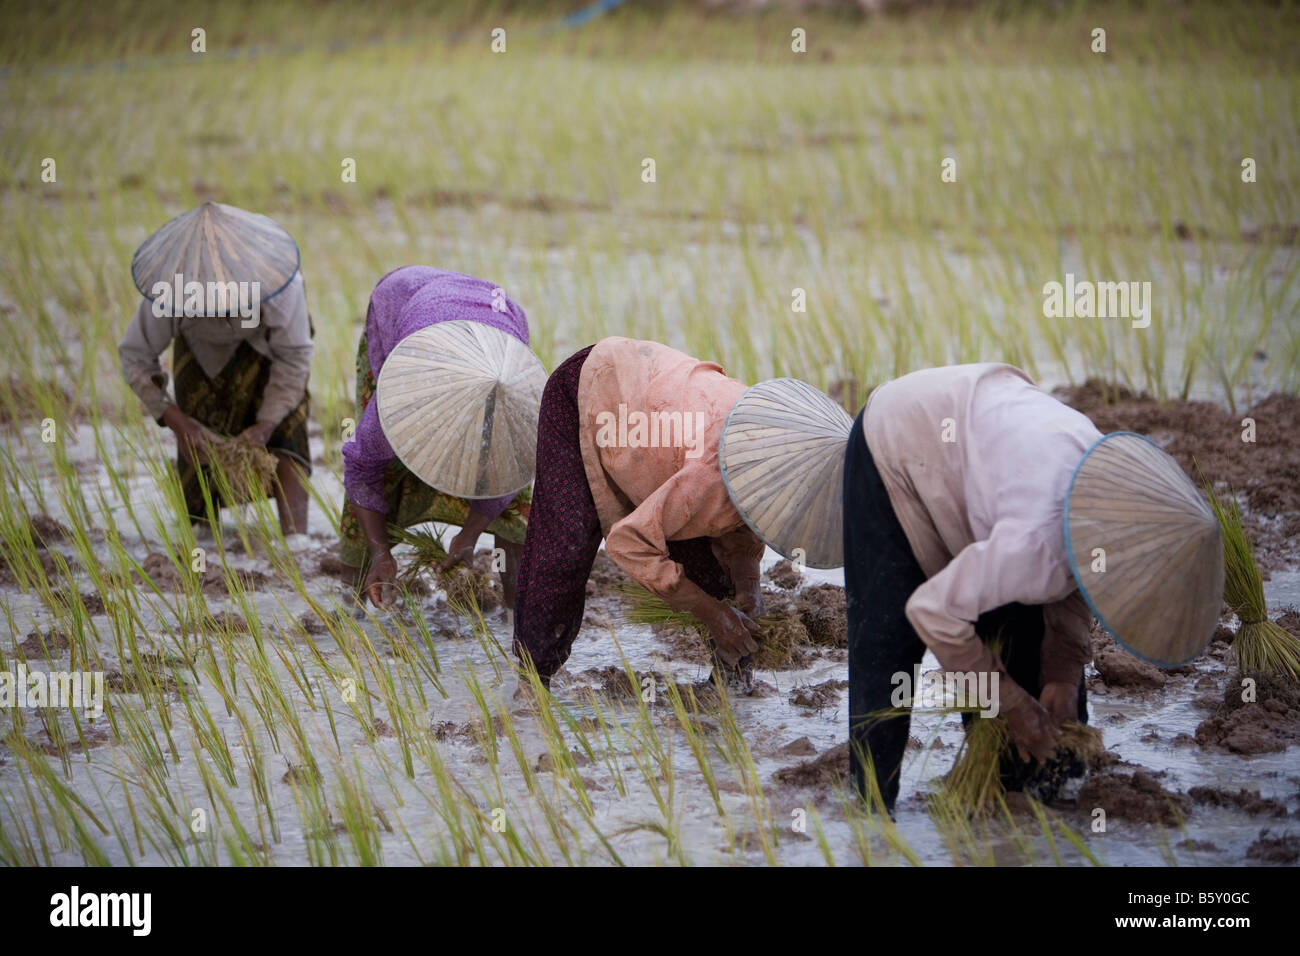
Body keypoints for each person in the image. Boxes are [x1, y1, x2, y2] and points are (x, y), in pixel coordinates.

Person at [843, 362, 1223, 813]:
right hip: (899, 437)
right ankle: (869, 813)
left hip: (994, 463)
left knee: (1026, 657)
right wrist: (1014, 706)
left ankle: (1030, 802)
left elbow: (1085, 580)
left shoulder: (1116, 509)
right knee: (890, 638)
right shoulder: (1033, 545)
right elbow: (932, 613)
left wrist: (1063, 674)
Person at [512, 337, 767, 685]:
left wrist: (748, 584)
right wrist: (710, 613)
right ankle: (532, 678)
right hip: (591, 390)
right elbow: (628, 544)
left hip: (660, 431)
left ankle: (733, 680)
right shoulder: (711, 475)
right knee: (565, 548)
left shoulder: (770, 466)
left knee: (706, 561)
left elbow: (743, 525)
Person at [340, 266, 533, 608]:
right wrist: (381, 552)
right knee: (381, 471)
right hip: (403, 302)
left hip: (498, 318)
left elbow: (513, 472)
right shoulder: (401, 396)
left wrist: (469, 536)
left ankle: (516, 612)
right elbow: (361, 468)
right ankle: (352, 601)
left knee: (519, 508)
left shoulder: (517, 404)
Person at [118, 203, 312, 536]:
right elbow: (136, 356)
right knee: (199, 447)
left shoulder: (281, 284)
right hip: (199, 357)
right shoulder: (170, 289)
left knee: (287, 432)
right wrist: (178, 423)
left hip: (264, 355)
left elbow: (294, 357)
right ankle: (203, 537)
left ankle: (296, 545)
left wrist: (265, 425)